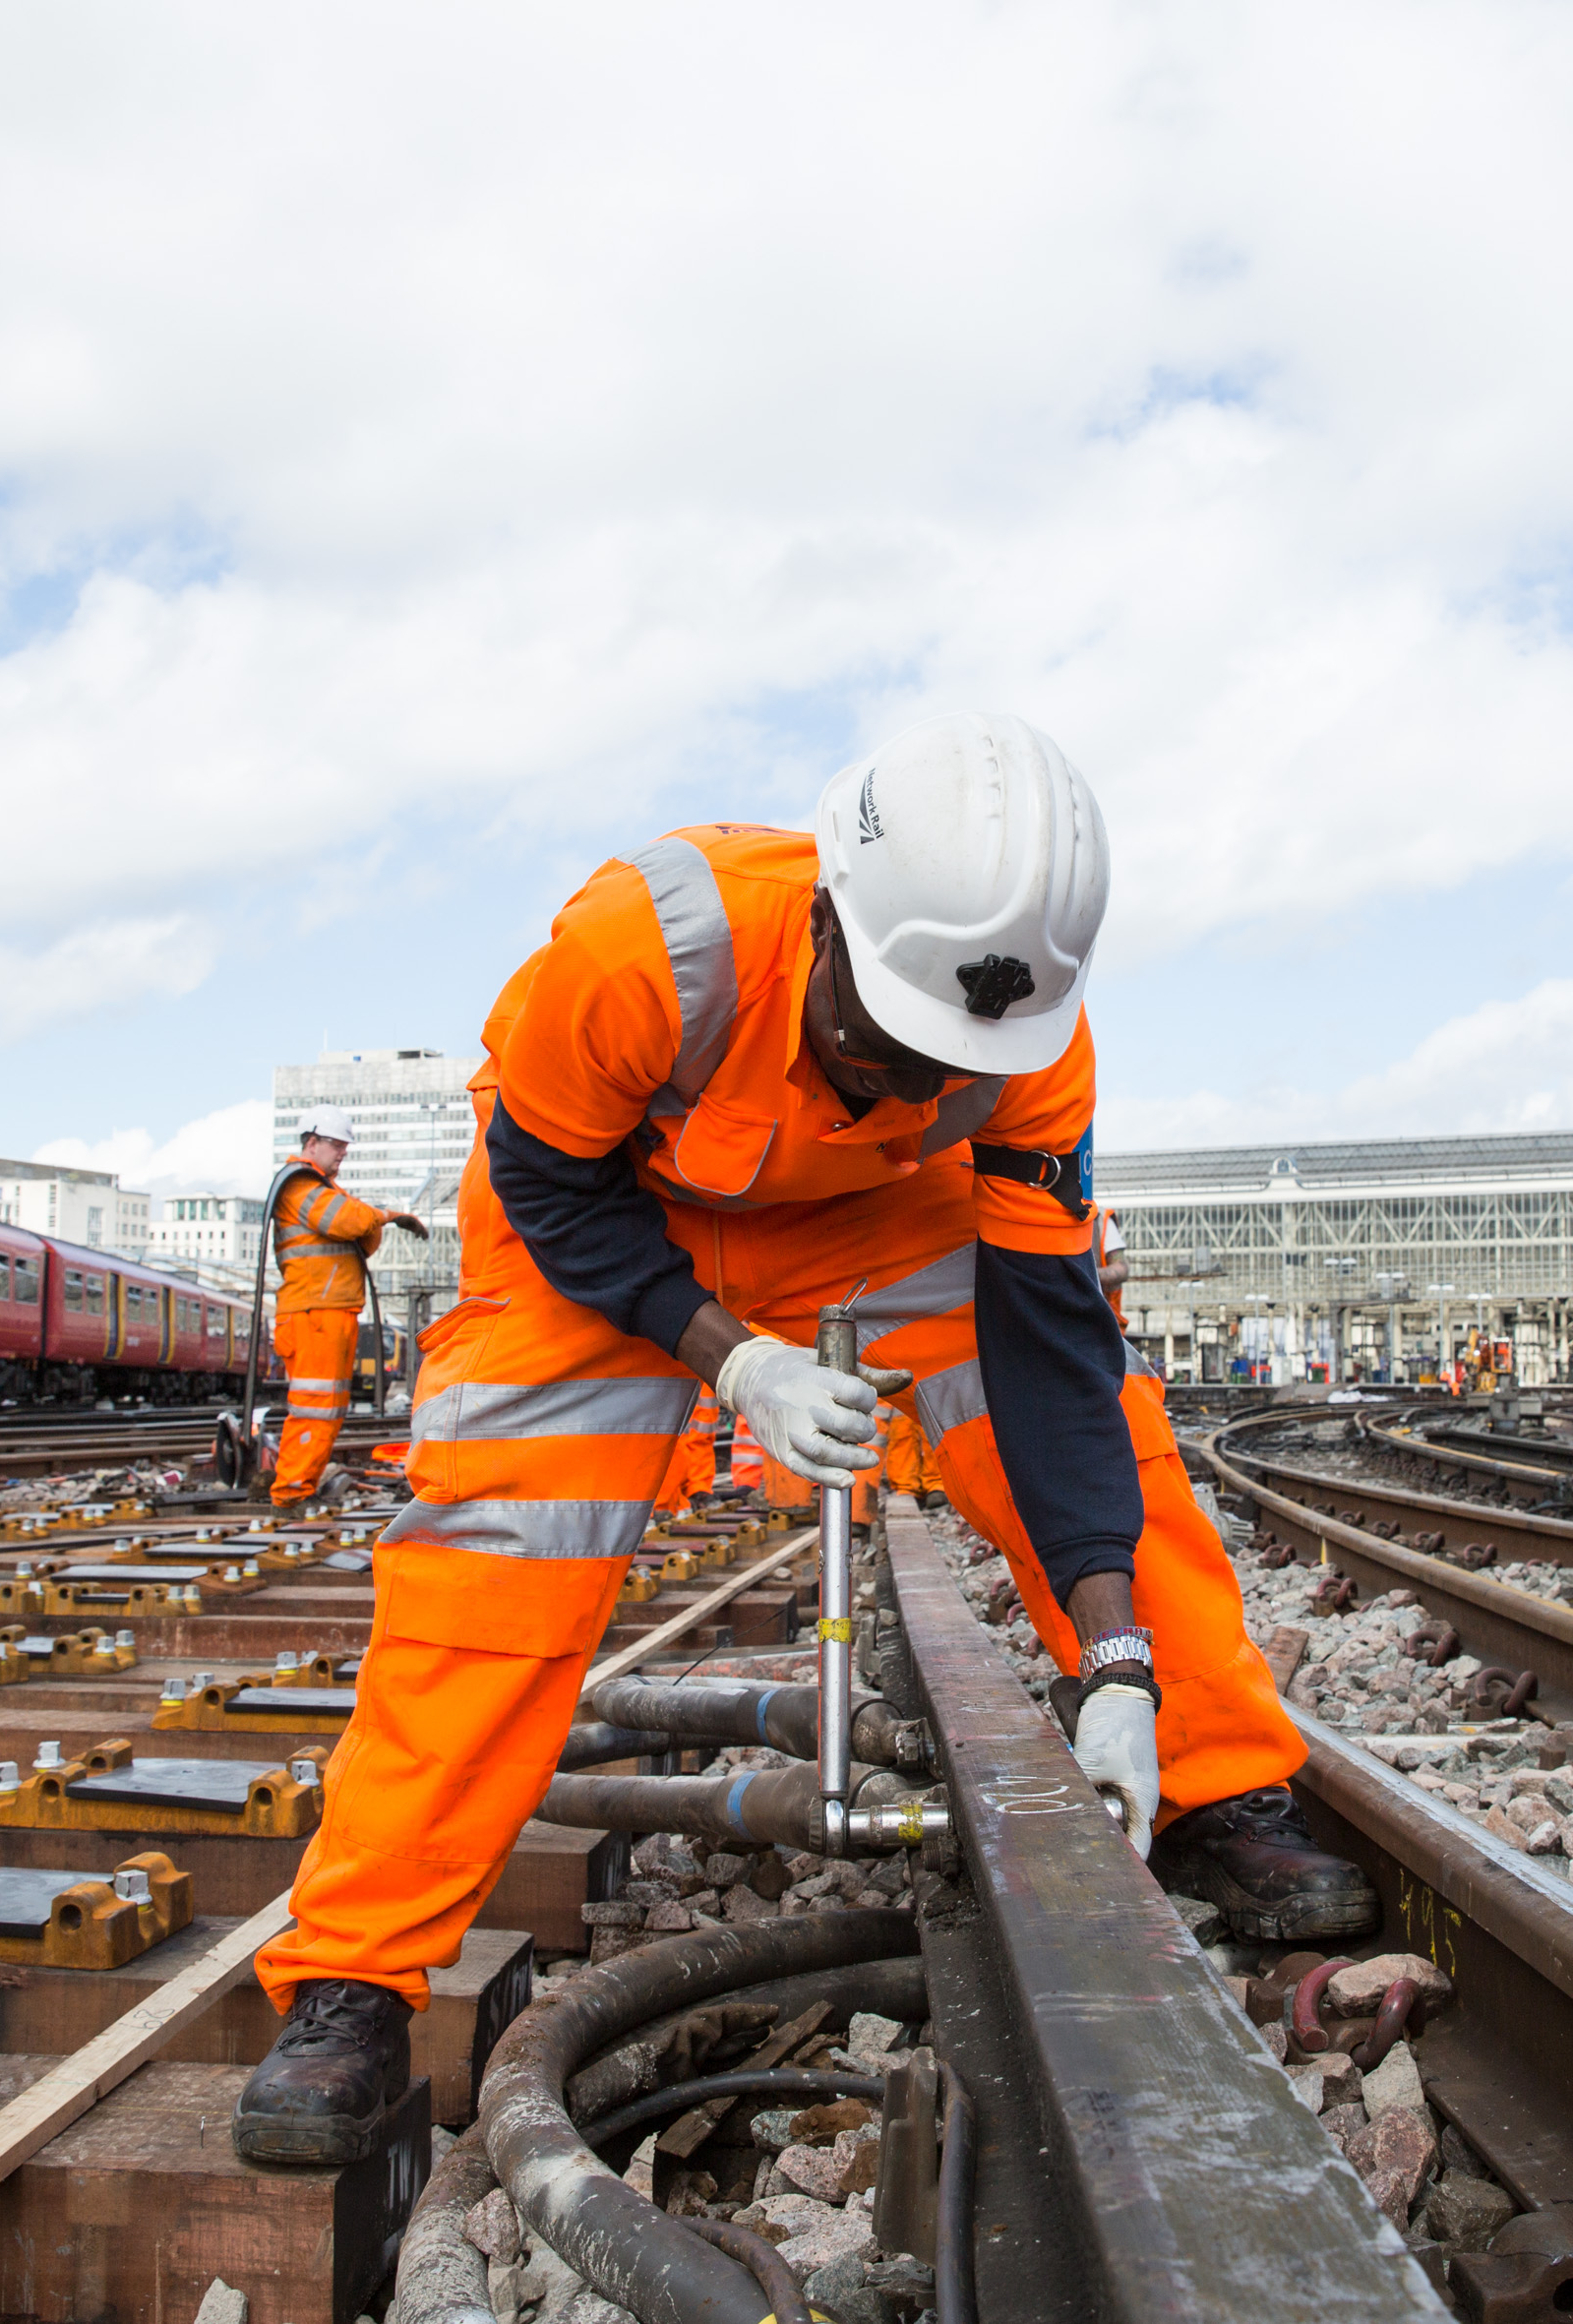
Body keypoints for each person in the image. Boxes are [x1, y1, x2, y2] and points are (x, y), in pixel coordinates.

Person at [232, 713, 1372, 2168]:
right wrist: (730, 1355)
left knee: (1117, 1454)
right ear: (827, 918)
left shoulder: (1031, 1047)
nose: (907, 1084)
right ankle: (352, 1975)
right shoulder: (646, 947)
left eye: (943, 1063)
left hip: (879, 1226)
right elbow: (545, 1182)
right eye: (884, 1039)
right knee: (497, 1552)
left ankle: (1211, 1775)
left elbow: (1049, 1355)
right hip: (604, 1225)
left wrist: (1116, 1661)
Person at [263, 1109, 426, 1510]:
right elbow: (352, 1222)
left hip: (329, 1310)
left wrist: (374, 1222)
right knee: (315, 1407)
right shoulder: (301, 1186)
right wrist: (388, 1215)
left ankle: (300, 1484)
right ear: (311, 1143)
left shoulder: (323, 1189)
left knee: (327, 1407)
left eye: (345, 1147)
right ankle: (290, 1493)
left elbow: (363, 1238)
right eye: (336, 1145)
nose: (342, 1154)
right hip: (313, 1311)